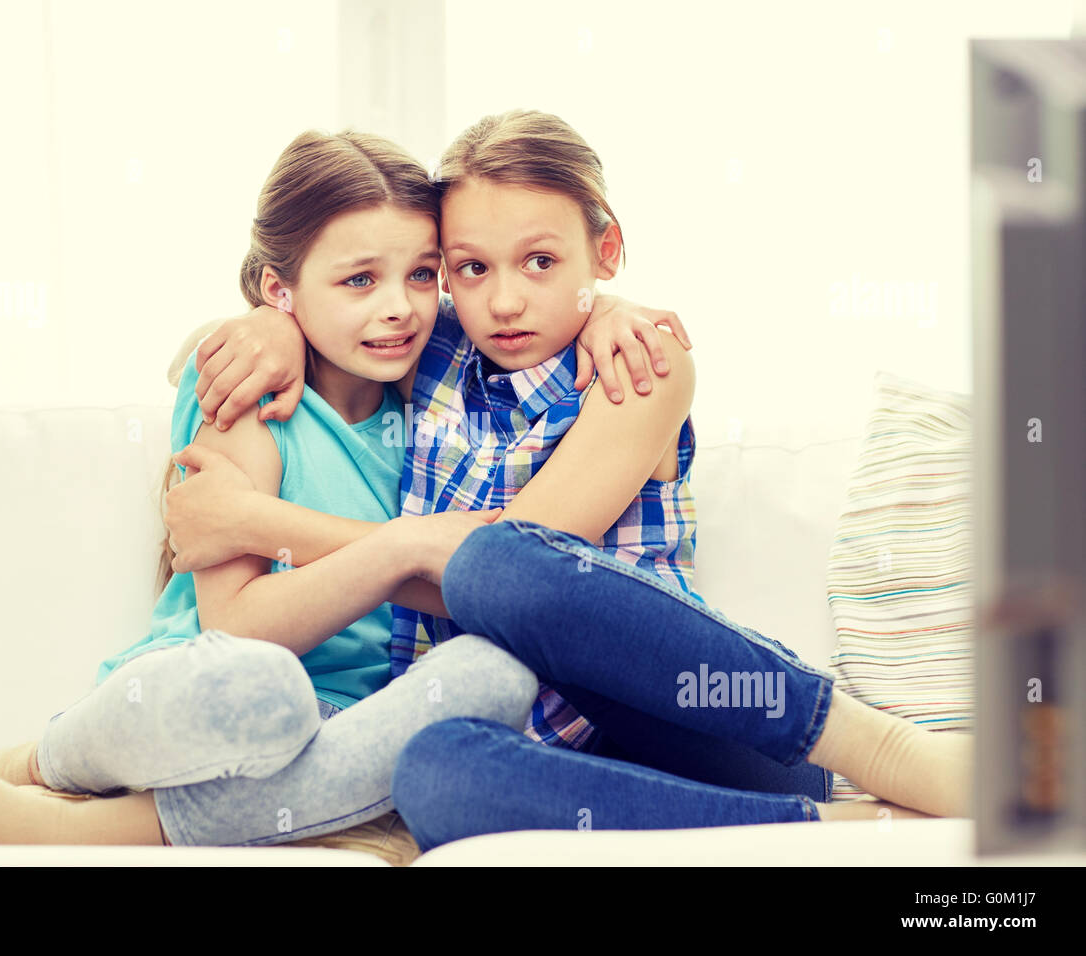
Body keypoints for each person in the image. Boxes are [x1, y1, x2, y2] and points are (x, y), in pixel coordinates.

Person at [0, 124, 671, 847]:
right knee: (261, 689)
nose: (401, 310)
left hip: (348, 731)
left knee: (493, 681)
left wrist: (607, 309)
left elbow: (527, 299)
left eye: (423, 275)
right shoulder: (249, 394)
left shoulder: (438, 394)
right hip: (206, 685)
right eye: (358, 281)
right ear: (280, 289)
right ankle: (49, 761)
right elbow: (238, 625)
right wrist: (263, 328)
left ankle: (66, 825)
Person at [170, 109, 973, 842]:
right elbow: (314, 316)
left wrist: (256, 522)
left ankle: (888, 749)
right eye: (471, 269)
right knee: (429, 770)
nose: (506, 301)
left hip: (692, 714)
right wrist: (262, 324)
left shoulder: (638, 366)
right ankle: (820, 825)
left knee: (499, 560)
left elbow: (510, 564)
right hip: (536, 737)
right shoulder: (436, 348)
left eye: (542, 262)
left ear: (609, 252)